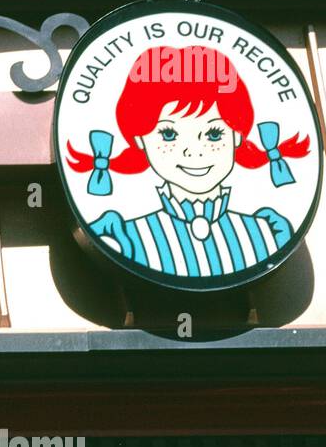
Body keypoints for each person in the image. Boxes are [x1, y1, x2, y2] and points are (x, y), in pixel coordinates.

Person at [66, 45, 310, 278]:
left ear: (237, 134)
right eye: (169, 134)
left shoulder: (267, 233)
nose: (193, 152)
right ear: (140, 139)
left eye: (214, 134)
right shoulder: (125, 238)